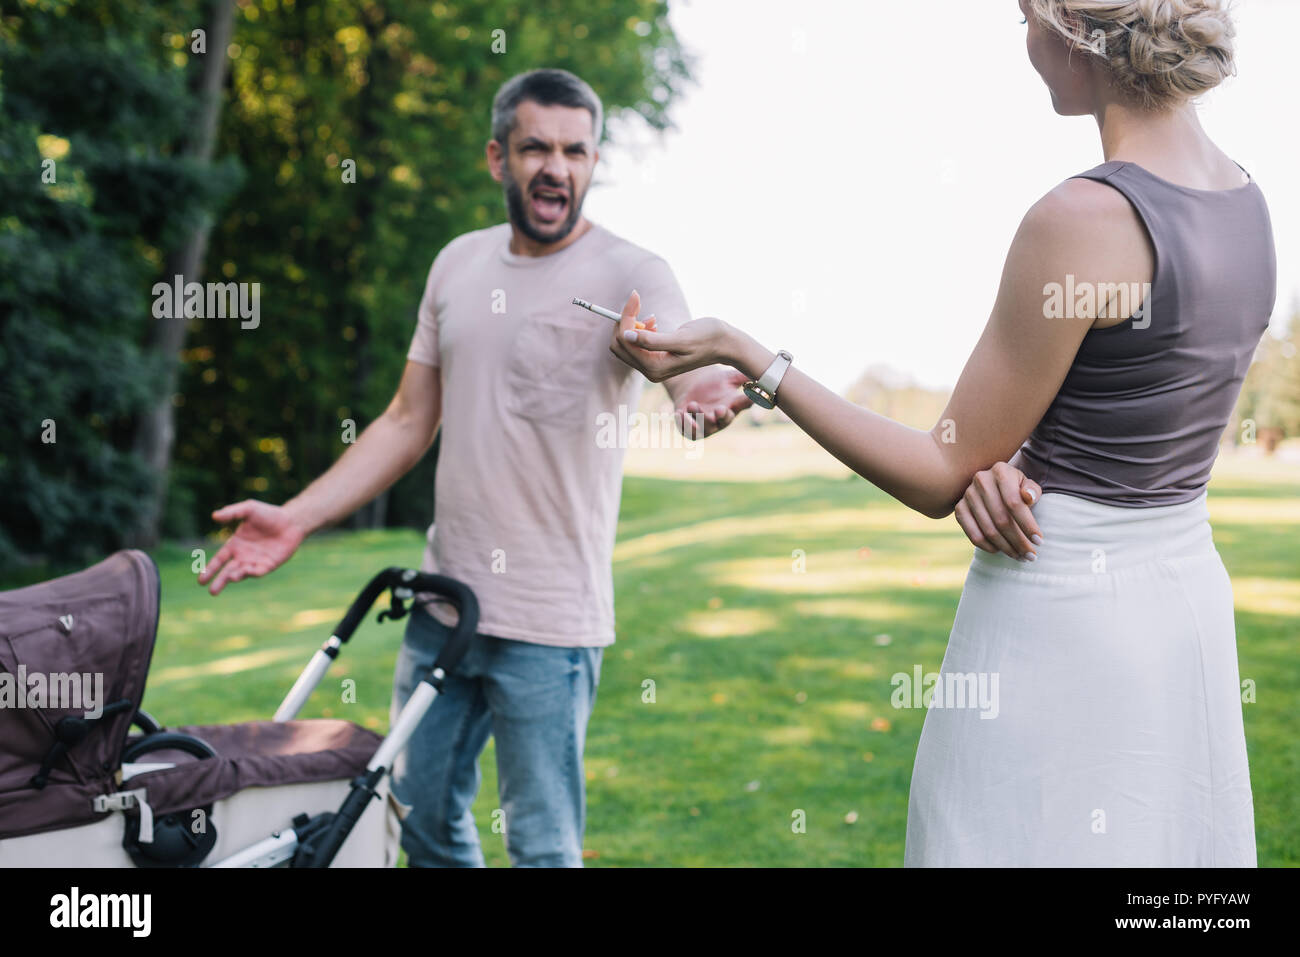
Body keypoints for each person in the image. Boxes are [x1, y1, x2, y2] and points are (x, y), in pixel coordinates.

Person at [608, 0, 1273, 866]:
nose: (1022, 37)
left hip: (1059, 605)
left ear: (1075, 37)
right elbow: (1132, 424)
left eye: (1026, 17)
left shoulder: (1082, 219)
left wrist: (752, 356)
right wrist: (1016, 462)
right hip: (1182, 608)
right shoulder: (1248, 203)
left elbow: (937, 471)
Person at [197, 68, 751, 867]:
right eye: (535, 148)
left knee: (541, 847)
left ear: (594, 162)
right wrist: (299, 514)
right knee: (418, 823)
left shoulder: (633, 273)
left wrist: (700, 394)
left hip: (552, 625)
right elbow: (405, 419)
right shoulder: (456, 264)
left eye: (575, 150)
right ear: (499, 158)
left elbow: (682, 361)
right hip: (443, 606)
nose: (555, 166)